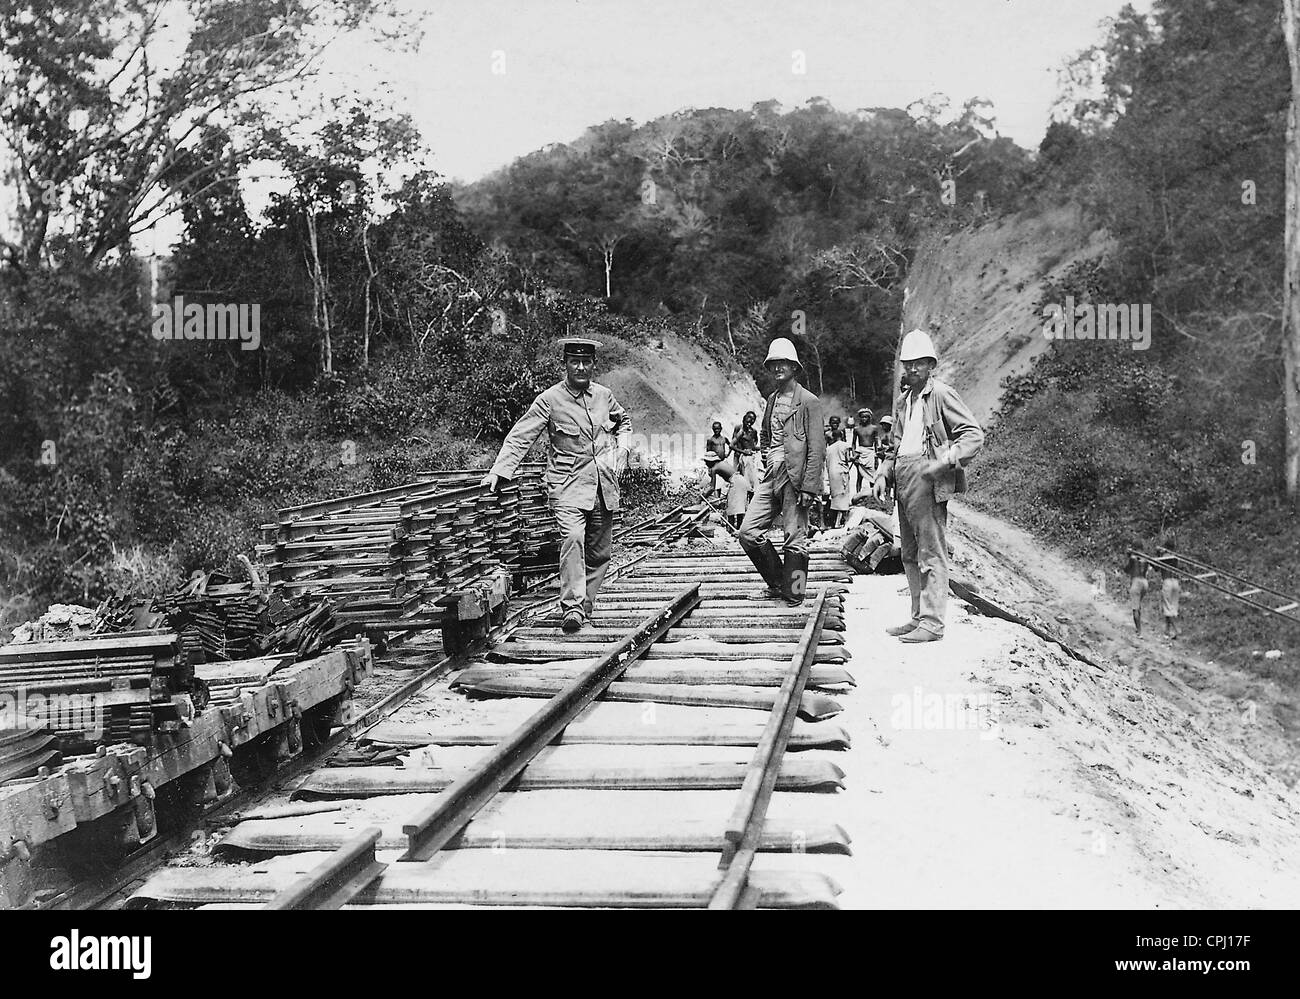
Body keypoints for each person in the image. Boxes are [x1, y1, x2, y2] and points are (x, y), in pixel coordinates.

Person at [481, 337, 631, 633]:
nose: (580, 367)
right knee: (573, 539)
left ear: (593, 364)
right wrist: (500, 470)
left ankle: (586, 603)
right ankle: (573, 608)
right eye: (574, 362)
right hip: (568, 487)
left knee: (600, 553)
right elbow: (521, 436)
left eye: (586, 362)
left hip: (603, 486)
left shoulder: (604, 396)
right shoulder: (549, 400)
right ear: (565, 364)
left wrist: (623, 450)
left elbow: (623, 421)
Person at [873, 329, 984, 643]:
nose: (911, 370)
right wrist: (884, 472)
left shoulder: (941, 394)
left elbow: (973, 435)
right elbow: (895, 445)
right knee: (908, 552)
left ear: (930, 364)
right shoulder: (904, 400)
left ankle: (933, 623)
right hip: (904, 475)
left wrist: (946, 461)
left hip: (926, 475)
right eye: (907, 364)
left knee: (931, 552)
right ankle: (918, 617)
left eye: (918, 363)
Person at [738, 338, 826, 606]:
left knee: (794, 537)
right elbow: (765, 435)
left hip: (796, 477)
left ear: (794, 367)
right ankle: (778, 582)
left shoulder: (809, 402)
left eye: (783, 363)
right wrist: (767, 457)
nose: (778, 368)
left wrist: (810, 487)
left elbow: (817, 448)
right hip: (772, 474)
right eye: (774, 364)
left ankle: (795, 592)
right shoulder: (772, 400)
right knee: (748, 532)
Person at [726, 412, 759, 529]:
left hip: (752, 459)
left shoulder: (753, 432)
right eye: (748, 420)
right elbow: (731, 445)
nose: (749, 422)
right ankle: (739, 517)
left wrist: (759, 449)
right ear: (743, 419)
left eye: (752, 420)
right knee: (742, 485)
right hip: (743, 459)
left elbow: (754, 445)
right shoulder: (740, 432)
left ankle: (751, 513)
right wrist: (743, 452)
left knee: (754, 487)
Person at [823, 431, 851, 528]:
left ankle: (835, 521)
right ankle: (840, 522)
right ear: (842, 436)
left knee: (835, 496)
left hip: (832, 474)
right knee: (843, 496)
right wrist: (855, 457)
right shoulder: (845, 445)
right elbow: (848, 459)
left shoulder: (829, 449)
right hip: (842, 472)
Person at [1124, 549, 1150, 636]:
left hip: (1136, 582)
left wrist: (1128, 558)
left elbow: (1126, 569)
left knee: (1135, 608)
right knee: (1138, 605)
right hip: (1145, 582)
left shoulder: (1133, 558)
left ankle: (1139, 631)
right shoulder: (1145, 558)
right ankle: (1138, 628)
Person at [1155, 555, 1180, 640]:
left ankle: (1176, 629)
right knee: (1172, 607)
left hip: (1168, 582)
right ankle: (1167, 631)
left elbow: (1156, 568)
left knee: (1167, 608)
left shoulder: (1164, 557)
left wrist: (1155, 556)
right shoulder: (1174, 557)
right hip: (1176, 582)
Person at [703, 421, 730, 495]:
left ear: (721, 429)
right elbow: (708, 453)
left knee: (723, 481)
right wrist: (709, 466)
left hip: (723, 461)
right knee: (716, 482)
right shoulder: (711, 440)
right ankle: (716, 498)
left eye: (718, 429)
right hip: (715, 463)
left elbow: (731, 445)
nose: (716, 430)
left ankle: (721, 497)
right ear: (712, 429)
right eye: (715, 429)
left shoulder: (724, 439)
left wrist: (727, 454)